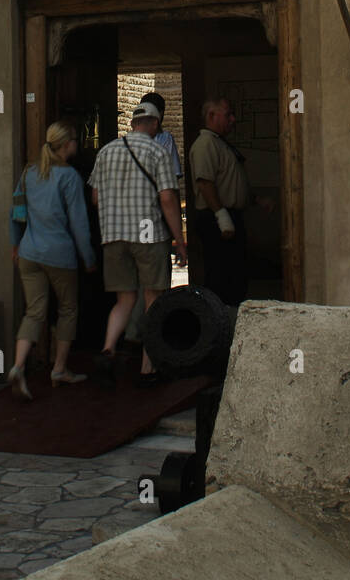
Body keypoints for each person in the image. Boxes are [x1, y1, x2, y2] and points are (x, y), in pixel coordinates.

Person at [88, 102, 186, 386]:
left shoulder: (106, 151)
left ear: (132, 124)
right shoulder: (158, 151)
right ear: (155, 125)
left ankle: (108, 350)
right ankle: (148, 367)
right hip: (148, 235)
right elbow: (168, 199)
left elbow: (95, 198)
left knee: (124, 300)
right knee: (153, 298)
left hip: (114, 236)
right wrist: (179, 240)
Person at [8, 121, 97, 400]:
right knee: (68, 309)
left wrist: (15, 245)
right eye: (75, 139)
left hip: (29, 252)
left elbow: (15, 211)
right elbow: (79, 223)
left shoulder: (29, 173)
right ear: (67, 144)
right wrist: (89, 257)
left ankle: (18, 366)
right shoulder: (69, 177)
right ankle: (59, 369)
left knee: (34, 311)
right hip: (60, 255)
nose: (77, 144)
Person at [189, 95, 273, 306]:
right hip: (216, 219)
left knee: (235, 274)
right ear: (211, 115)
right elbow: (205, 183)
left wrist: (255, 200)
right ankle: (219, 323)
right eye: (228, 115)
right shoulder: (205, 144)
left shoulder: (219, 143)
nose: (233, 119)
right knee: (221, 276)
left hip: (229, 215)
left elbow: (230, 182)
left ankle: (230, 318)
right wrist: (221, 215)